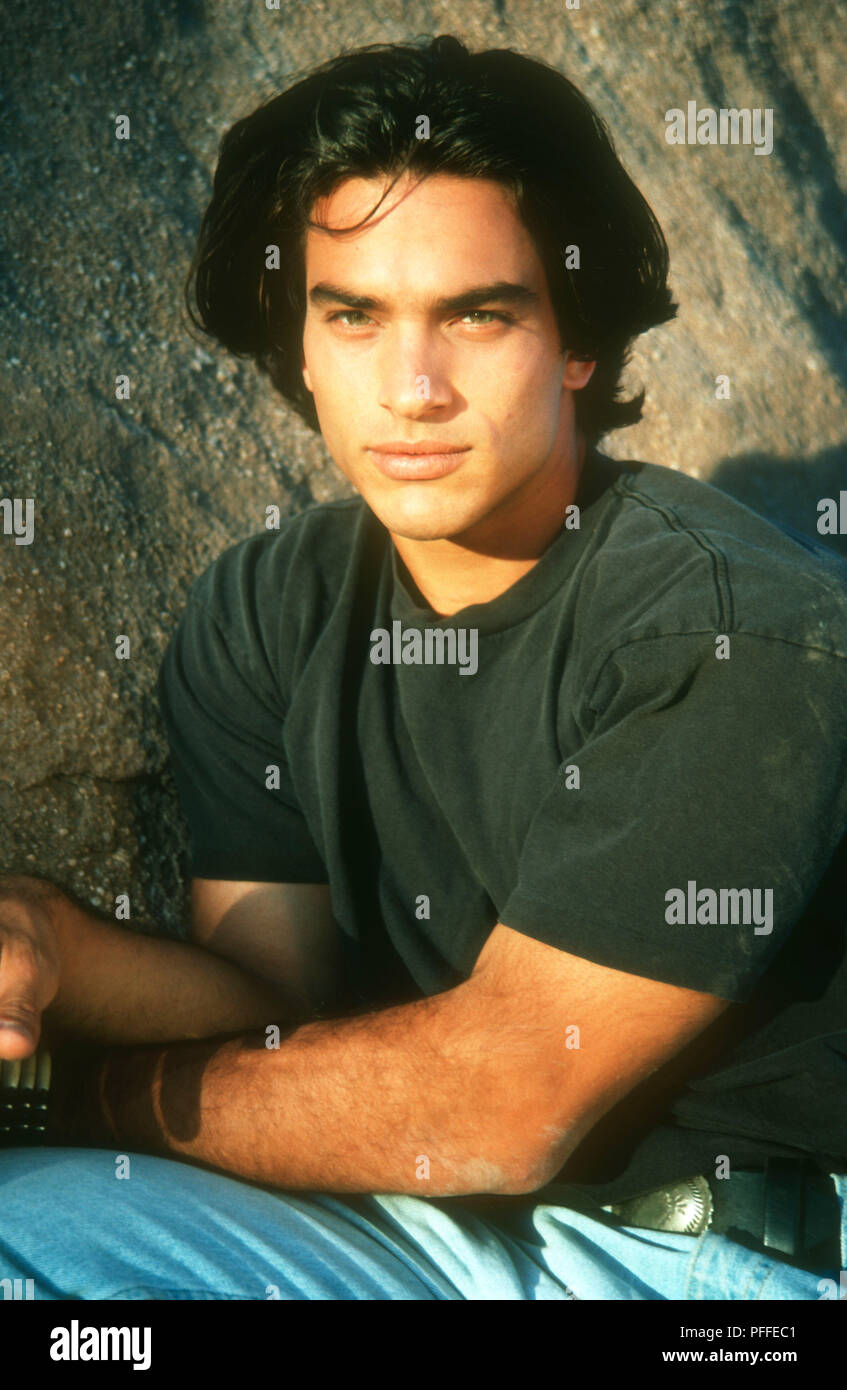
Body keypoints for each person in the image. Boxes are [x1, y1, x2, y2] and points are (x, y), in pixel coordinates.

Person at [1, 34, 846, 1302]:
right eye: (353, 315)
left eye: (478, 315)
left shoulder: (735, 630)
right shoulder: (262, 603)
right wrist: (51, 944)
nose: (410, 387)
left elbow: (508, 1101)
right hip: (422, 1227)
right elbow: (266, 1009)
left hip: (720, 1262)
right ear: (299, 345)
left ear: (576, 343)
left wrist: (64, 1097)